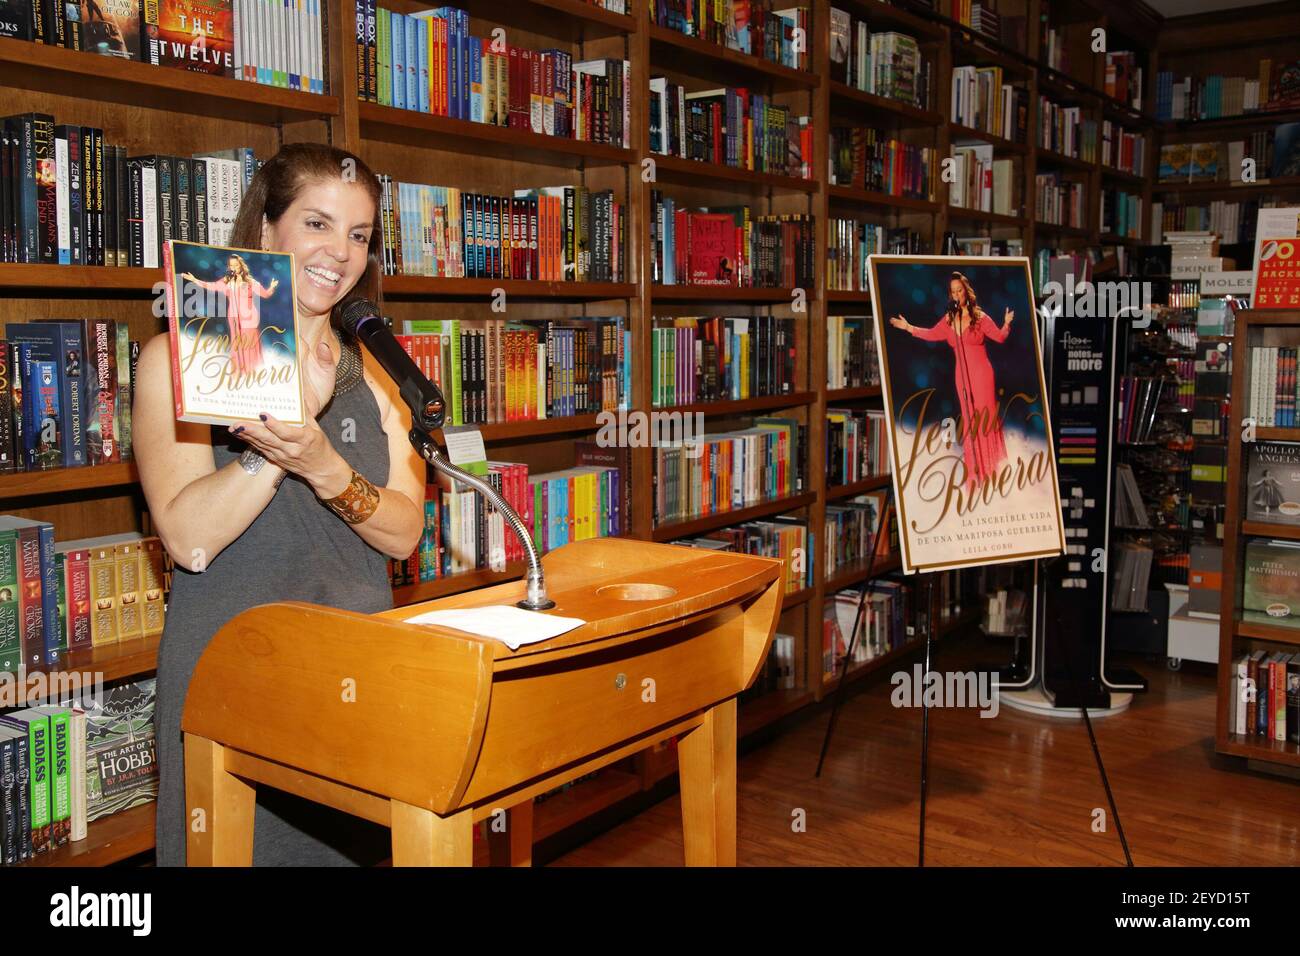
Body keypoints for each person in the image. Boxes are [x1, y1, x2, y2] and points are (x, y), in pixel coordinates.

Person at [134, 142, 425, 866]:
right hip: (231, 677)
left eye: (359, 235)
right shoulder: (179, 358)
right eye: (318, 224)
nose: (340, 253)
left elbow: (404, 535)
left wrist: (325, 467)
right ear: (265, 232)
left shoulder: (381, 375)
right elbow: (188, 538)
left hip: (353, 679)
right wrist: (285, 433)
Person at [888, 271, 1014, 491]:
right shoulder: (948, 320)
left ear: (967, 291)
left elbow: (1000, 337)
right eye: (953, 291)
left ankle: (992, 473)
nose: (957, 294)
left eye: (960, 290)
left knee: (984, 420)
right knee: (970, 422)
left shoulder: (980, 317)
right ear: (951, 295)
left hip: (983, 375)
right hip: (962, 378)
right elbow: (930, 334)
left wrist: (1006, 324)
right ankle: (974, 479)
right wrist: (909, 328)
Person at [181, 254, 279, 377]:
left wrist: (272, 287)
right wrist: (195, 280)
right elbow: (211, 286)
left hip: (249, 318)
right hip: (233, 317)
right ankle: (238, 371)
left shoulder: (250, 282)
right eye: (231, 265)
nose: (233, 268)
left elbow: (265, 294)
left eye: (236, 265)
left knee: (249, 343)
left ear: (241, 266)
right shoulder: (226, 282)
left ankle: (252, 371)